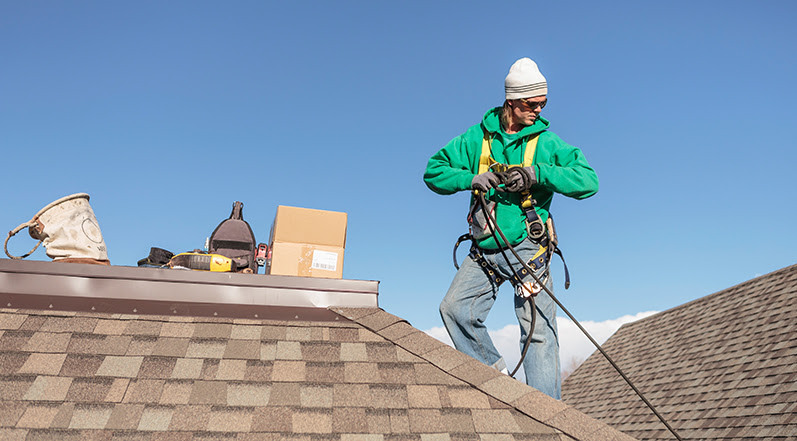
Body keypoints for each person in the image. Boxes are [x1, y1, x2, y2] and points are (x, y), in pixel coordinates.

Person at [423, 57, 598, 399]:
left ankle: (546, 416)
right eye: (532, 104)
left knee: (538, 334)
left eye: (543, 104)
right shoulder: (477, 139)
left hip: (527, 251)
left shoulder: (547, 143)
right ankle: (497, 385)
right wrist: (470, 178)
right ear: (511, 101)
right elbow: (433, 171)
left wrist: (537, 175)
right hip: (485, 250)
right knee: (455, 309)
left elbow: (588, 181)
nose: (538, 110)